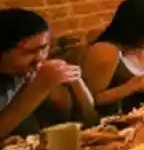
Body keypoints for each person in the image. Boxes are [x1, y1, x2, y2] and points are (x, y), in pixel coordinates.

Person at [0, 9, 95, 138]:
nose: (40, 58)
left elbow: (91, 119)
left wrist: (77, 84)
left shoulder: (27, 73)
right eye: (29, 52)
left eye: (44, 48)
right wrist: (39, 89)